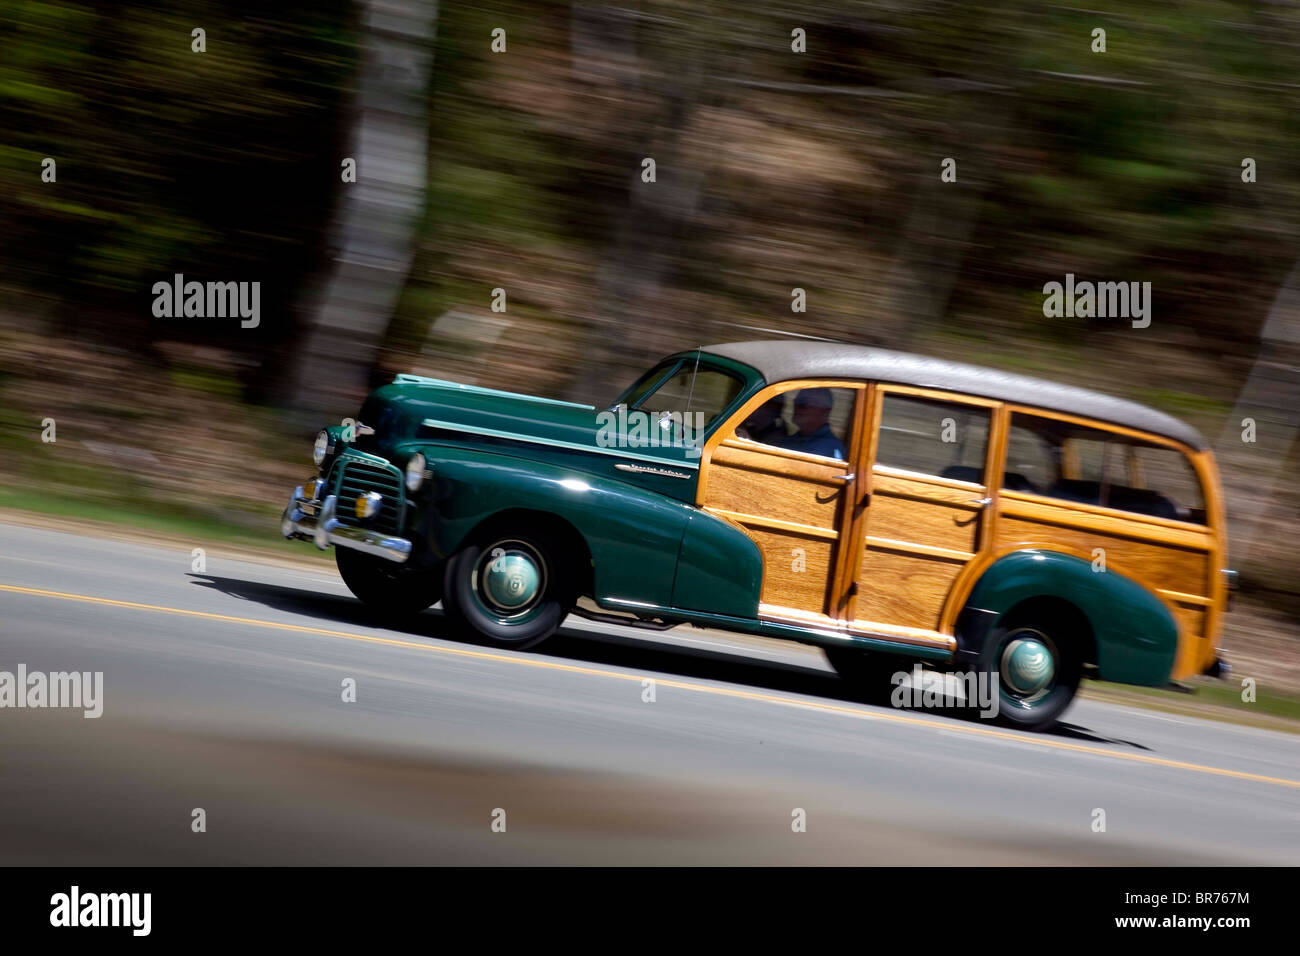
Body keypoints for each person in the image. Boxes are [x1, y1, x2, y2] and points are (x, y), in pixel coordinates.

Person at [775, 388, 846, 460]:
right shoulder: (790, 440)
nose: (798, 407)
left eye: (804, 404)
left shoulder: (827, 448)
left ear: (824, 411)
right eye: (796, 402)